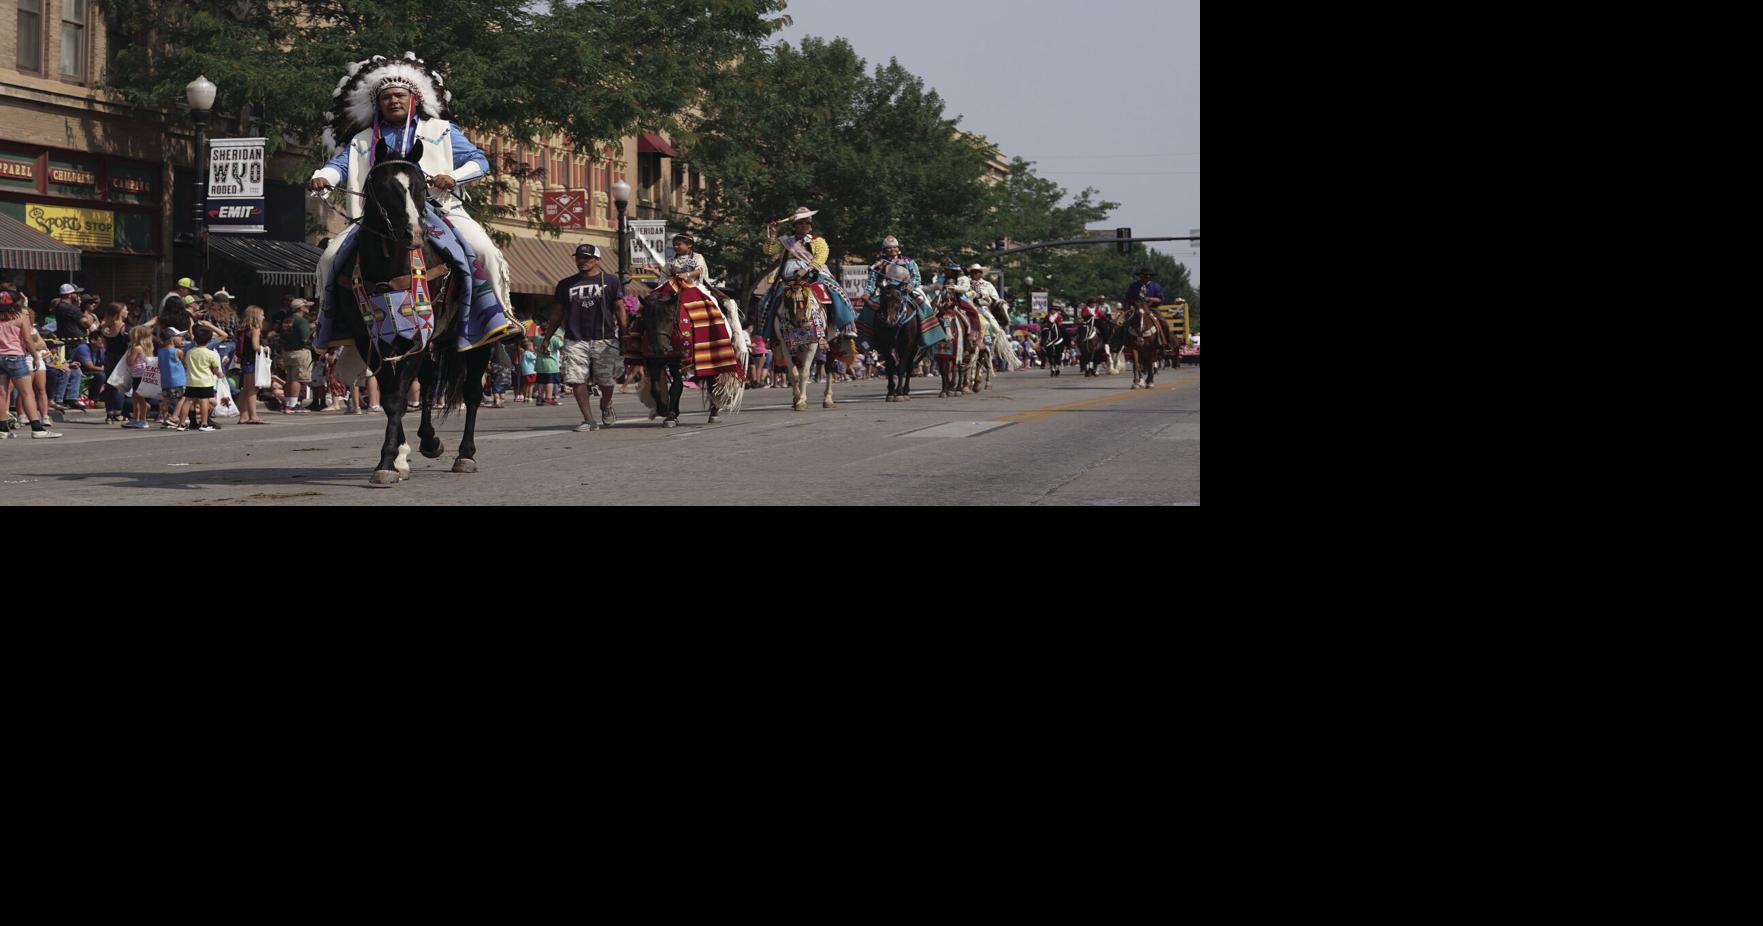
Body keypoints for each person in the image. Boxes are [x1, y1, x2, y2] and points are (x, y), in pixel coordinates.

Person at [307, 53, 516, 353]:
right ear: (377, 103)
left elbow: (479, 161)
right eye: (387, 97)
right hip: (379, 216)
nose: (393, 101)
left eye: (400, 96)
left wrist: (452, 177)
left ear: (414, 99)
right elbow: (339, 167)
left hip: (438, 210)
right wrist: (322, 177)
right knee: (329, 259)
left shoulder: (440, 130)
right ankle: (333, 328)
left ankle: (498, 318)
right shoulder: (363, 140)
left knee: (484, 250)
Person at [541, 244, 626, 432]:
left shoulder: (611, 281)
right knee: (576, 379)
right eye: (579, 258)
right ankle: (588, 419)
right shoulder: (565, 284)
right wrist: (547, 337)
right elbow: (557, 313)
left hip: (605, 338)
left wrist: (625, 334)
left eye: (587, 258)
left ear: (596, 260)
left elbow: (620, 309)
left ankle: (605, 404)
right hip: (575, 339)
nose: (582, 261)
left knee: (606, 381)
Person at [0, 293, 60, 438]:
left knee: (2, 393)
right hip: (16, 356)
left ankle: (2, 428)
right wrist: (35, 357)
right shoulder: (21, 317)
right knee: (27, 393)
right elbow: (27, 340)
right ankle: (37, 428)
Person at [184, 327, 224, 431]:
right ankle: (204, 423)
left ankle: (182, 423)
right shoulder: (211, 354)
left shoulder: (189, 352)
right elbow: (215, 369)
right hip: (205, 382)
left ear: (195, 339)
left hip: (191, 381)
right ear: (210, 340)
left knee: (188, 401)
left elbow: (186, 365)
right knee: (204, 401)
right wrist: (220, 375)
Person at [864, 236, 924, 304]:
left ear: (898, 248)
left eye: (895, 247)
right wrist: (867, 293)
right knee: (868, 309)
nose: (892, 249)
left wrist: (911, 285)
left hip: (906, 291)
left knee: (922, 304)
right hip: (886, 293)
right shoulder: (879, 264)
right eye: (889, 248)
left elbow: (916, 277)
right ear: (884, 250)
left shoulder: (908, 261)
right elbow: (872, 281)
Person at [278, 301, 313, 414]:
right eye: (305, 306)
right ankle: (293, 405)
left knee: (289, 378)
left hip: (287, 351)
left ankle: (288, 403)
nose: (308, 308)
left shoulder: (286, 320)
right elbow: (304, 338)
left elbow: (282, 336)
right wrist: (312, 329)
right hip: (300, 351)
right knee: (297, 379)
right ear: (300, 308)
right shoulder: (302, 321)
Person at [236, 306, 269, 424]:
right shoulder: (255, 328)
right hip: (252, 361)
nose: (263, 317)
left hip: (245, 360)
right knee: (252, 390)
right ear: (255, 316)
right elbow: (255, 347)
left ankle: (243, 416)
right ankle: (253, 415)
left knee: (245, 389)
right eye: (262, 314)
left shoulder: (244, 328)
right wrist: (265, 349)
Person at [120, 324, 155, 428]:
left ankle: (142, 420)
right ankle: (136, 418)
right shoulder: (148, 348)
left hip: (138, 375)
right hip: (142, 375)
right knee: (136, 397)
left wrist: (128, 355)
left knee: (139, 398)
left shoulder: (136, 348)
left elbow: (130, 362)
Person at [156, 328, 189, 430]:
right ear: (171, 339)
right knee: (183, 398)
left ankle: (165, 418)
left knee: (166, 400)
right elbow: (185, 363)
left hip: (165, 380)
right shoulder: (177, 351)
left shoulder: (160, 351)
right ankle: (174, 417)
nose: (181, 338)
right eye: (178, 336)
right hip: (178, 380)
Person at [533, 328, 562, 405]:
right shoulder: (554, 338)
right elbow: (561, 347)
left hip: (540, 363)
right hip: (551, 363)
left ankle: (540, 398)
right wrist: (560, 338)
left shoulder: (537, 338)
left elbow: (534, 346)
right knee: (550, 381)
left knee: (541, 381)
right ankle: (548, 398)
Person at [516, 337, 537, 403]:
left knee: (526, 385)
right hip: (531, 371)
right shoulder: (529, 353)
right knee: (531, 385)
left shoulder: (523, 353)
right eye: (532, 345)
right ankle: (529, 397)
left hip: (525, 372)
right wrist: (534, 352)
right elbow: (535, 358)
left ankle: (525, 397)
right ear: (528, 346)